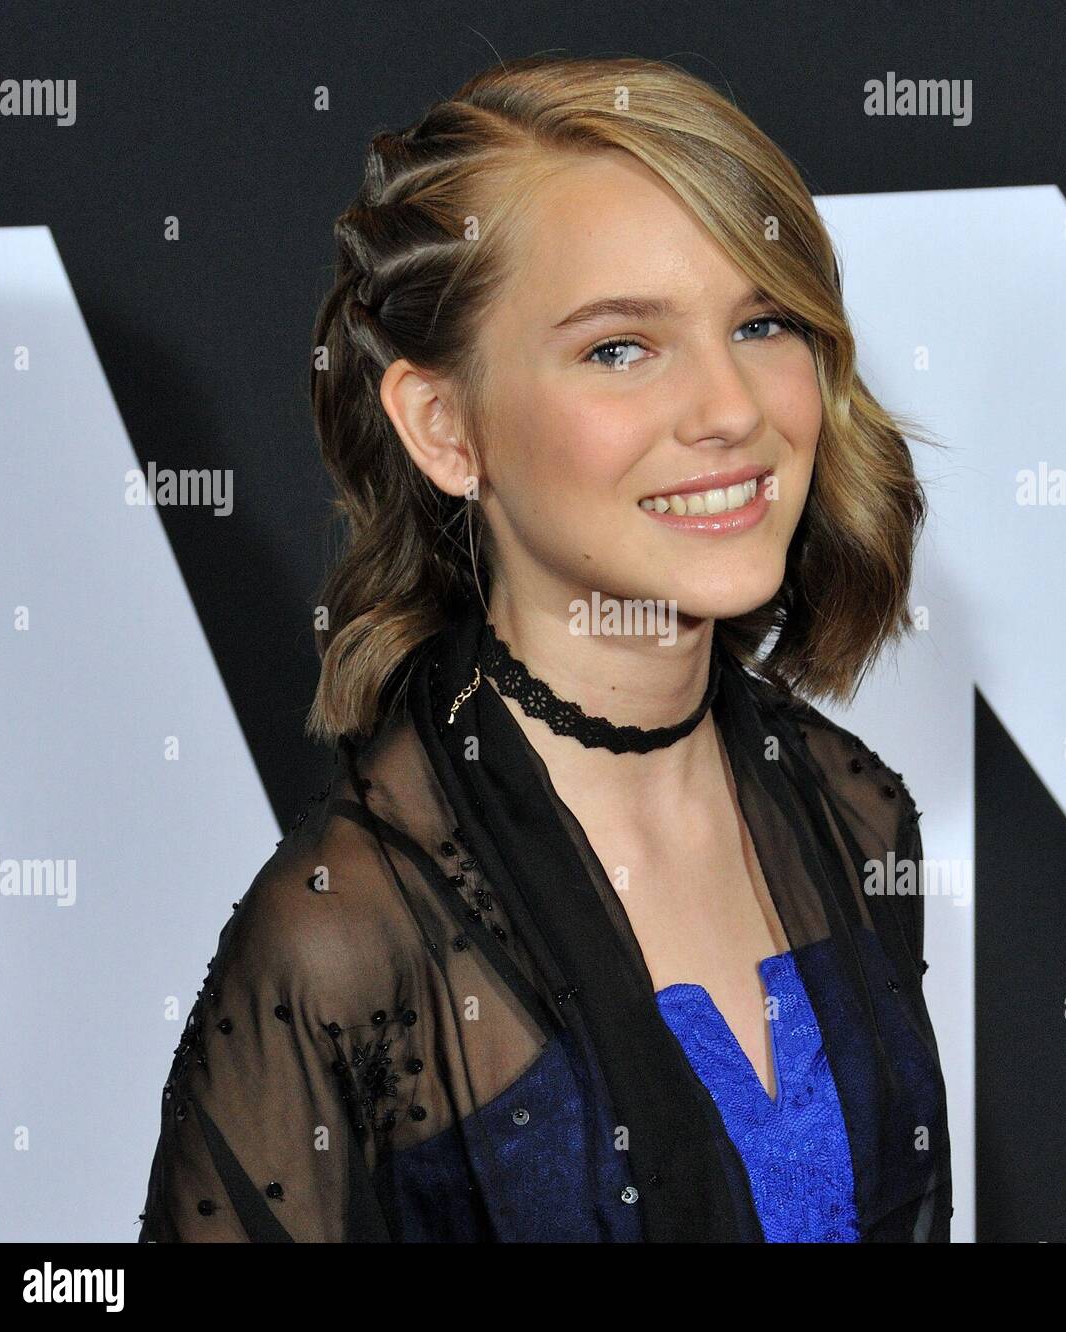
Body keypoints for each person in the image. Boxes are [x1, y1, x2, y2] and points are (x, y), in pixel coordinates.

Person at [137, 53, 951, 1243]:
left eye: (761, 323)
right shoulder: (345, 937)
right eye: (619, 348)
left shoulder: (850, 809)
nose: (732, 410)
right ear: (445, 428)